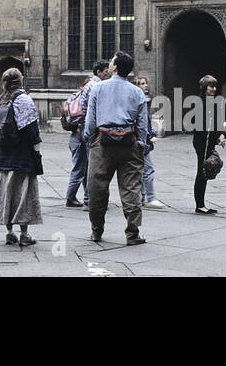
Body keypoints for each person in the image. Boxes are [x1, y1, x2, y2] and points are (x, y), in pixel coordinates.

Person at [82, 52, 149, 245]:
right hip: (129, 142)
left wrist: (89, 138)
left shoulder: (99, 88)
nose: (109, 64)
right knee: (131, 189)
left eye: (111, 62)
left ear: (116, 67)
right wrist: (141, 143)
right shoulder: (137, 92)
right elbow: (142, 122)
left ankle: (96, 230)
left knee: (97, 188)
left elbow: (91, 119)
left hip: (102, 142)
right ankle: (133, 233)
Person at [0, 67, 44, 246]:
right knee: (23, 194)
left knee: (6, 195)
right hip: (22, 154)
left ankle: (9, 232)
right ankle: (24, 235)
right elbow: (30, 129)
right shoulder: (24, 99)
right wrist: (36, 148)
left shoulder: (0, 100)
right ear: (20, 80)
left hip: (2, 154)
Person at [65, 58, 112, 207]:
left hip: (82, 129)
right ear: (99, 72)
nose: (108, 75)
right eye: (106, 72)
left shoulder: (91, 85)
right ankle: (87, 200)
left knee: (84, 167)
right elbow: (92, 112)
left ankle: (80, 198)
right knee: (90, 167)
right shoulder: (96, 86)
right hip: (88, 130)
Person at [193, 74, 226, 214]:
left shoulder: (213, 102)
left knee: (205, 171)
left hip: (209, 142)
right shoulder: (199, 102)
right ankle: (200, 205)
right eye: (211, 86)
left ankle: (201, 204)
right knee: (202, 171)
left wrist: (221, 135)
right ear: (204, 87)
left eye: (214, 86)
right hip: (202, 142)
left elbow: (217, 122)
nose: (214, 88)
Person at [135, 74, 164, 209]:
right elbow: (139, 122)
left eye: (145, 83)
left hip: (141, 141)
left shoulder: (142, 100)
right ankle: (150, 198)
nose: (145, 85)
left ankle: (142, 198)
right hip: (141, 142)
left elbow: (145, 122)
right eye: (142, 83)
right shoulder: (138, 100)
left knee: (141, 171)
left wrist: (150, 133)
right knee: (148, 170)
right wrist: (148, 136)